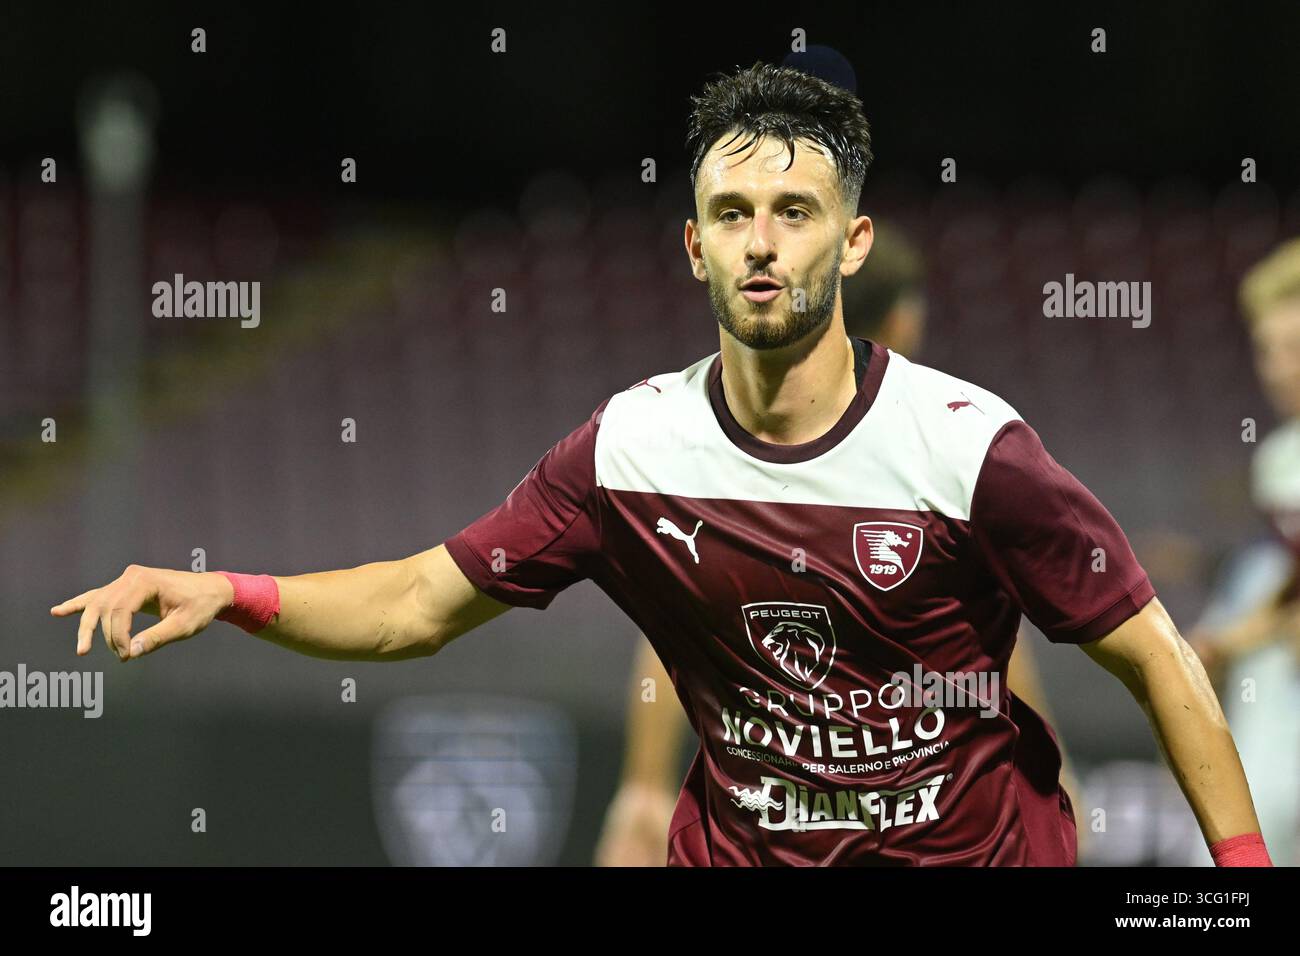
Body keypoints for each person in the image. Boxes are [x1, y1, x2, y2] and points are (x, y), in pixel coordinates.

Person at [52, 61, 1272, 867]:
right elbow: (418, 603)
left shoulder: (968, 446)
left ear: (849, 243)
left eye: (793, 213)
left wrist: (1239, 877)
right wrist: (238, 592)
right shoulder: (631, 448)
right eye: (732, 213)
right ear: (692, 245)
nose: (761, 242)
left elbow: (1154, 653)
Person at [593, 225, 1088, 866]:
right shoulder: (930, 451)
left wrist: (643, 785)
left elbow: (673, 613)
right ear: (904, 321)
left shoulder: (752, 439)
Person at [1187, 237, 1300, 865]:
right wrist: (1230, 638)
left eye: (1293, 348)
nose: (1278, 367)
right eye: (1267, 350)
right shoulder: (1281, 460)